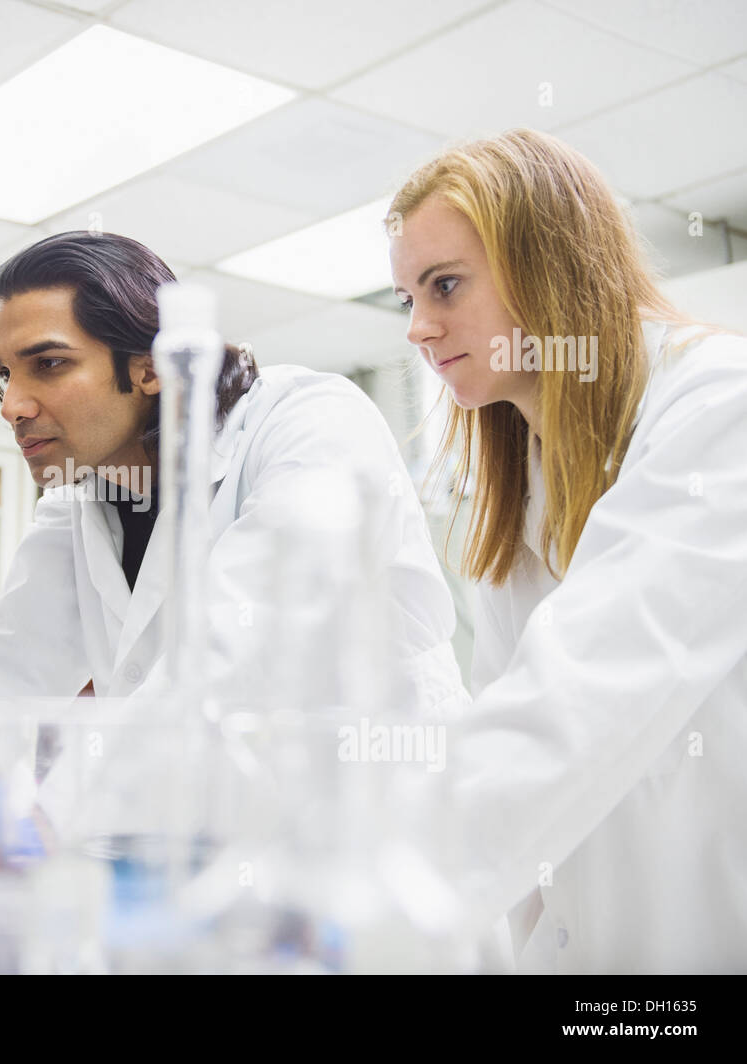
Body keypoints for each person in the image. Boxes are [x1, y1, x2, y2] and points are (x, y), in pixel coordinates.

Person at [0, 231, 469, 813]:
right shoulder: (81, 494)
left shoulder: (312, 423)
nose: (12, 405)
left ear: (149, 367)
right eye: (4, 373)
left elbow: (235, 653)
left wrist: (45, 821)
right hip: (215, 848)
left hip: (389, 830)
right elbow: (5, 658)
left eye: (48, 364)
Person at [388, 128, 747, 972]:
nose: (418, 328)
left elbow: (579, 700)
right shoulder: (522, 482)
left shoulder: (718, 403)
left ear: (549, 263)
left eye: (444, 286)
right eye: (407, 299)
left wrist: (366, 895)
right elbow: (508, 737)